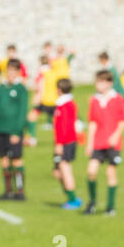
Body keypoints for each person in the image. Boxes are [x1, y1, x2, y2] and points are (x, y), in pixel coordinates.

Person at [83, 69, 124, 215]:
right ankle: (92, 203)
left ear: (109, 83)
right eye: (97, 81)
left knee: (110, 173)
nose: (98, 85)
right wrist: (89, 143)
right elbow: (93, 122)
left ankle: (110, 207)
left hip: (112, 144)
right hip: (98, 142)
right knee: (91, 171)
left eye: (101, 82)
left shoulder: (117, 99)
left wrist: (116, 135)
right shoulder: (94, 100)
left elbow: (123, 119)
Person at [0, 58, 31, 200]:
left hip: (13, 130)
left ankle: (20, 191)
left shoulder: (21, 90)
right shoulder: (2, 88)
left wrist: (17, 131)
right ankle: (8, 191)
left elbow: (22, 112)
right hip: (1, 128)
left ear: (18, 72)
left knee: (16, 159)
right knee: (4, 159)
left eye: (13, 71)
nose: (10, 74)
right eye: (8, 71)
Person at [52, 78, 81, 209]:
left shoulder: (64, 105)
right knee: (58, 171)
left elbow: (63, 127)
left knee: (65, 169)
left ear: (59, 89)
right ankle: (70, 197)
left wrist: (59, 143)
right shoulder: (68, 104)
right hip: (67, 142)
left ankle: (73, 199)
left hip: (65, 143)